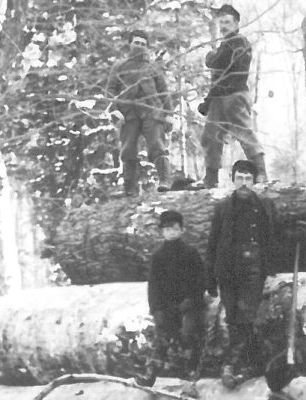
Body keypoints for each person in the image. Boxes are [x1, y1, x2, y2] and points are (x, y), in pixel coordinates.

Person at [205, 159, 282, 388]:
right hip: (228, 269)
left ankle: (232, 364)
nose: (244, 183)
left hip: (254, 267)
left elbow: (274, 238)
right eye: (240, 178)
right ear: (233, 179)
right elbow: (212, 243)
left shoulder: (265, 206)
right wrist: (210, 276)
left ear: (255, 181)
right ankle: (251, 362)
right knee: (232, 318)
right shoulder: (223, 208)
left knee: (246, 315)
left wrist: (273, 267)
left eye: (248, 178)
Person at [199, 5, 266, 188]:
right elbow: (219, 77)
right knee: (211, 137)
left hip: (235, 95)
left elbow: (223, 66)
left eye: (227, 22)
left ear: (236, 23)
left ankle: (261, 174)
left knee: (244, 132)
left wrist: (211, 57)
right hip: (219, 98)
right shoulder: (226, 45)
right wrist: (208, 101)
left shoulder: (239, 42)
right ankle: (210, 179)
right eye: (221, 22)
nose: (223, 26)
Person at [106, 29, 172, 195]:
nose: (139, 46)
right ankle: (130, 188)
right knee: (128, 149)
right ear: (130, 44)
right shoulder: (120, 66)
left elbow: (163, 91)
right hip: (128, 113)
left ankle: (164, 180)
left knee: (157, 145)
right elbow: (111, 89)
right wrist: (114, 110)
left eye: (143, 44)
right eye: (136, 42)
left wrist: (169, 114)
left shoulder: (152, 67)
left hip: (152, 111)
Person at [145, 210, 206, 380]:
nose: (171, 232)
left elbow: (200, 280)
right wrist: (156, 309)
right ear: (162, 232)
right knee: (161, 336)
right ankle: (151, 373)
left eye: (174, 228)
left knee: (188, 333)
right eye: (167, 229)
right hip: (167, 305)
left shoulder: (190, 253)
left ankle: (191, 370)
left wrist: (192, 300)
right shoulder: (158, 256)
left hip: (189, 304)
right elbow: (153, 286)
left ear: (181, 230)